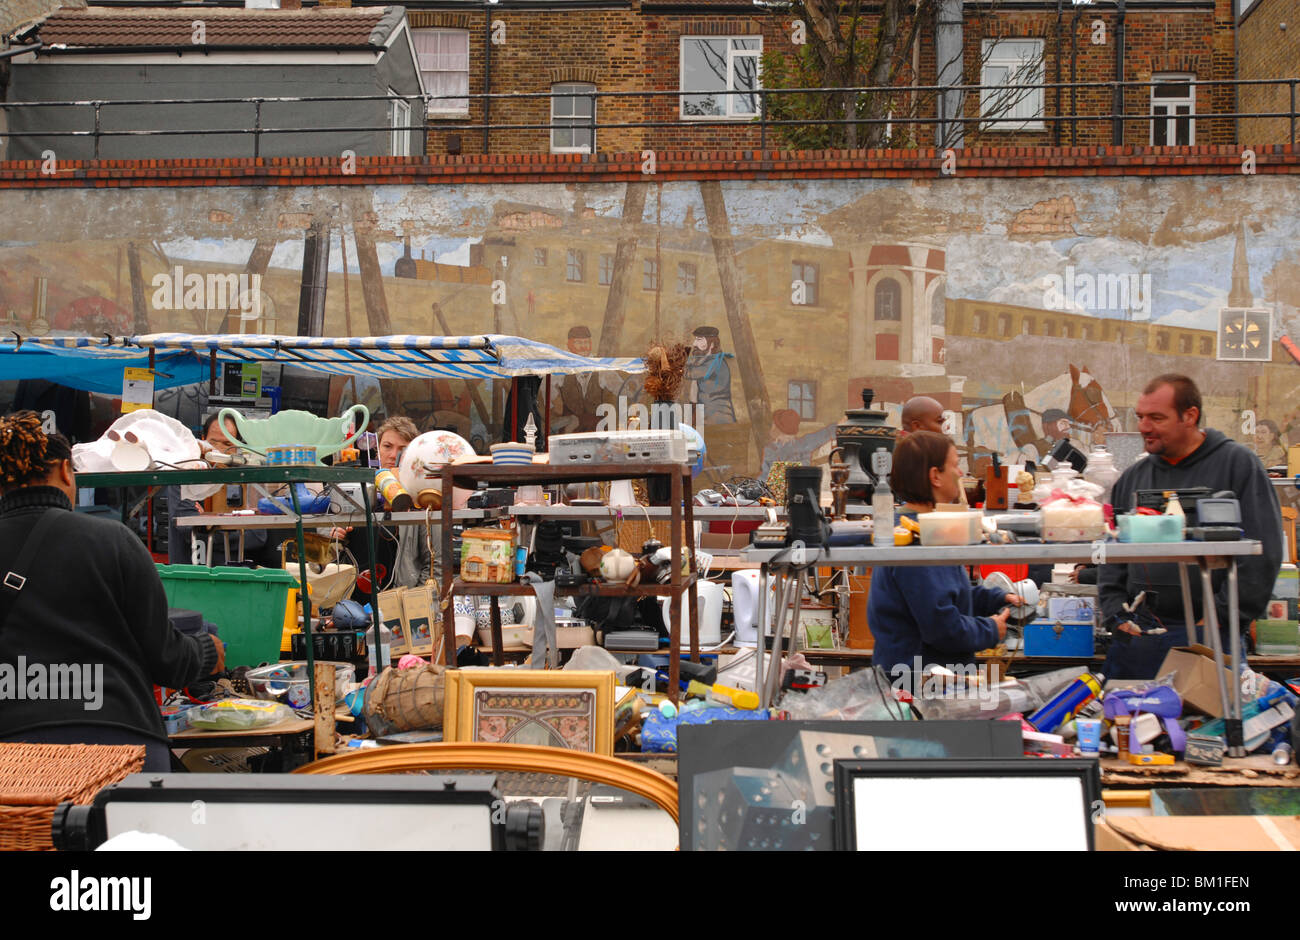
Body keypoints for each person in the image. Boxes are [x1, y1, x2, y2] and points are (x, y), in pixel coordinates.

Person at [0, 411, 224, 771]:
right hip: (120, 745)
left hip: (15, 755)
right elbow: (167, 660)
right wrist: (205, 652)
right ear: (64, 471)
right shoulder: (112, 540)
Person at [1098, 374, 1282, 679]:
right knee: (1126, 721)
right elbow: (1110, 551)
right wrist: (1116, 612)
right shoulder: (1132, 478)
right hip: (1137, 638)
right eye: (1141, 417)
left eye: (1157, 418)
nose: (1144, 427)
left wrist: (1219, 617)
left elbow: (1264, 553)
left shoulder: (1238, 465)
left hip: (1212, 636)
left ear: (1190, 416)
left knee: (1212, 725)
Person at [867, 430, 1023, 684]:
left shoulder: (927, 530)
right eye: (955, 465)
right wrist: (990, 630)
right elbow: (942, 629)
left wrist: (992, 598)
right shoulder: (915, 540)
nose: (961, 473)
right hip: (919, 683)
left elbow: (943, 596)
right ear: (935, 476)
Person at [334, 415, 432, 591]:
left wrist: (413, 602)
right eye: (387, 446)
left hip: (399, 599)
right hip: (352, 601)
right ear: (377, 448)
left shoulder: (420, 498)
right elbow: (327, 560)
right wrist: (334, 538)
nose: (393, 455)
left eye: (403, 449)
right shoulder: (353, 490)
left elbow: (433, 562)